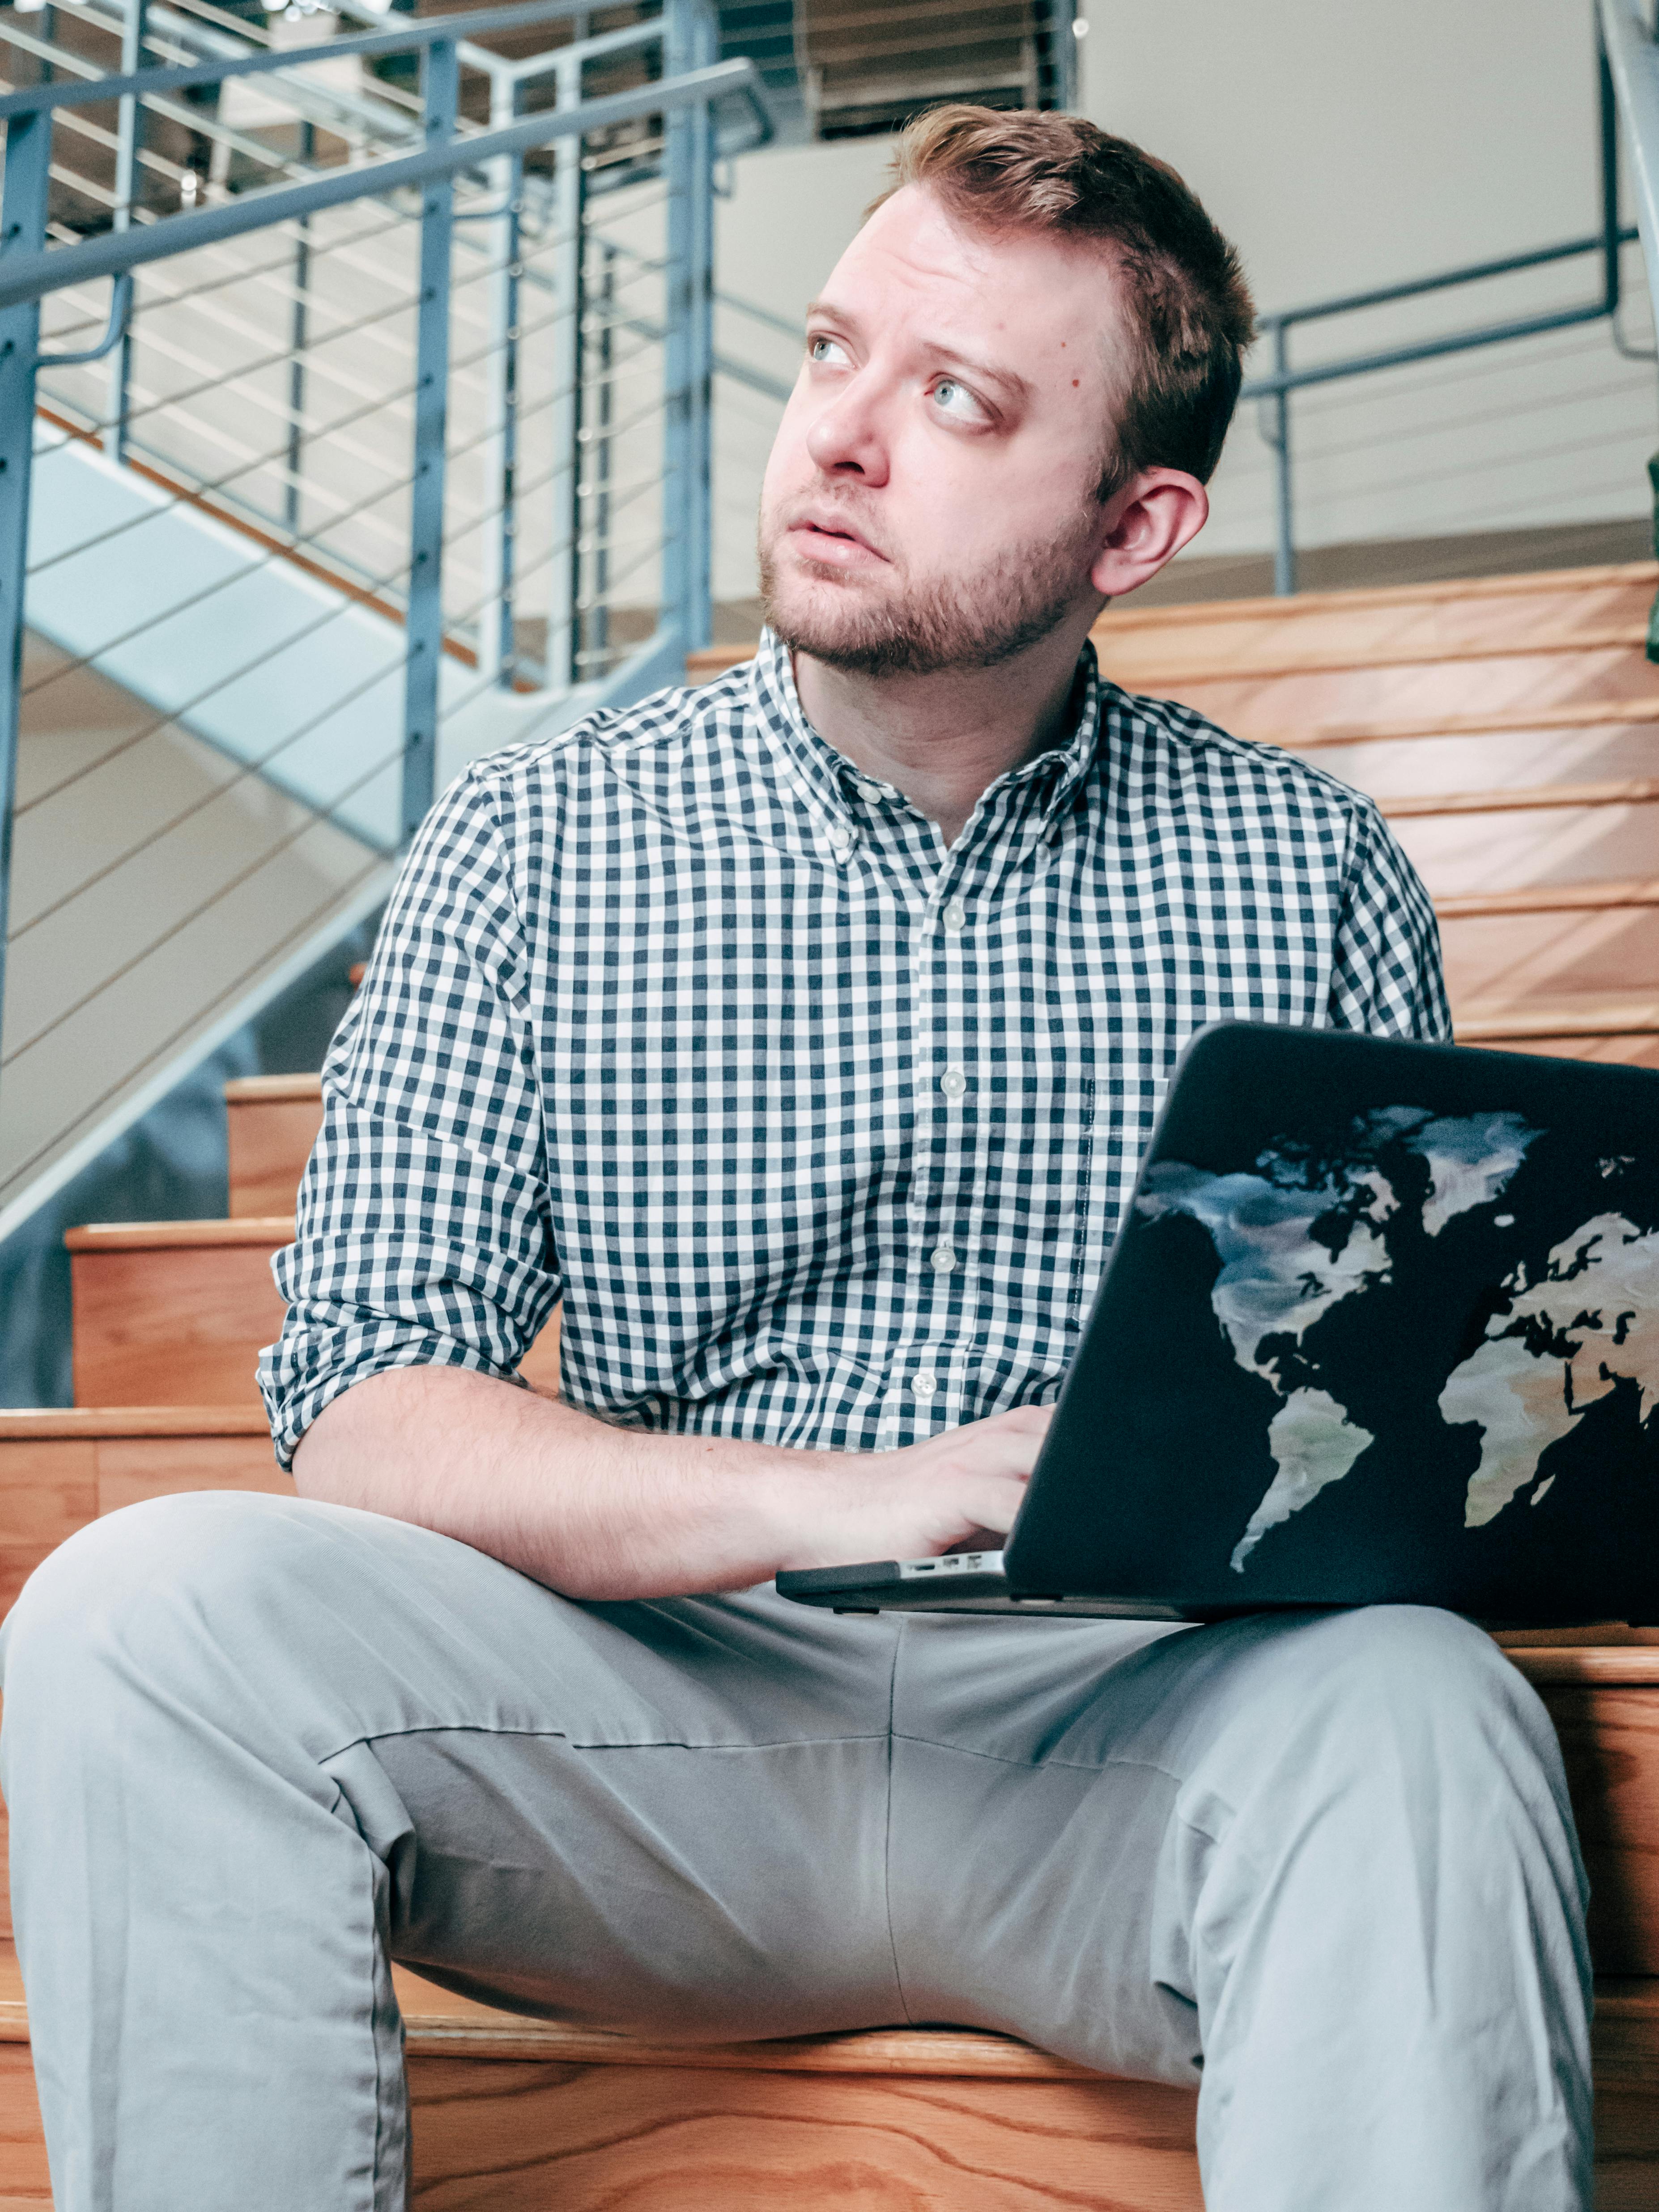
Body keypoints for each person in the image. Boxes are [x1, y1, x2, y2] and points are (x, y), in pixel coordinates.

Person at [0, 105, 1591, 2212]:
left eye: (957, 401)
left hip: (1130, 1742)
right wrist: (855, 1495)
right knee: (137, 1611)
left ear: (1133, 526)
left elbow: (1393, 1435)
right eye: (833, 350)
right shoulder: (531, 834)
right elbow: (370, 1404)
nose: (837, 436)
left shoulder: (1312, 866)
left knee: (1427, 1701)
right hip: (659, 1740)